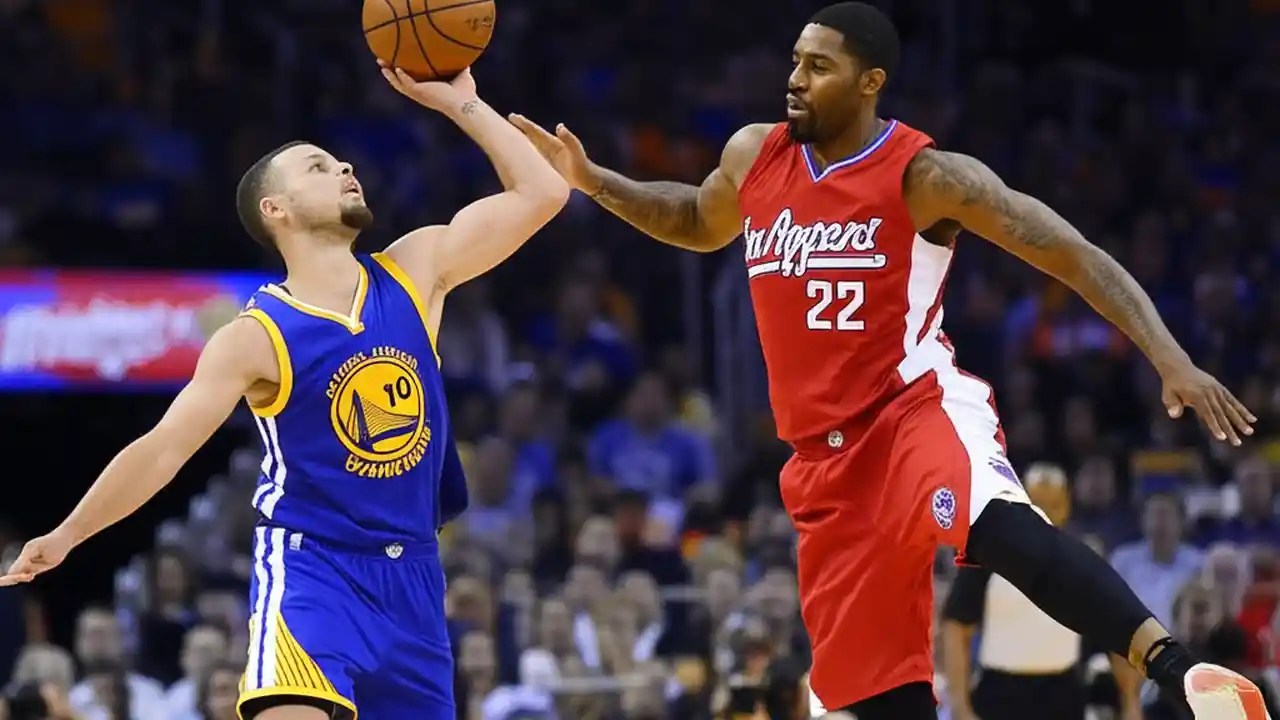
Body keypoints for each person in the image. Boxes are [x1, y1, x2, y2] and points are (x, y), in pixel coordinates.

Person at [509, 3, 1265, 718]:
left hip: (909, 411)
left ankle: (1175, 668)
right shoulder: (755, 155)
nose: (796, 80)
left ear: (870, 83)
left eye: (819, 67)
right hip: (822, 466)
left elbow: (1070, 252)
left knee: (994, 523)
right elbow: (696, 221)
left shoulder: (926, 176)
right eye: (795, 62)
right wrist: (594, 181)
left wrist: (1172, 359)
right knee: (875, 696)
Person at [0, 63, 569, 720]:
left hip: (414, 576)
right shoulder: (256, 336)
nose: (345, 166)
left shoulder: (415, 270)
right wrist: (70, 533)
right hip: (313, 572)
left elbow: (544, 192)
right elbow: (162, 450)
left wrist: (461, 102)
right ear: (278, 211)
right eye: (319, 167)